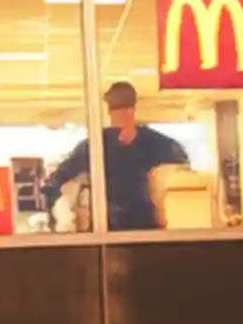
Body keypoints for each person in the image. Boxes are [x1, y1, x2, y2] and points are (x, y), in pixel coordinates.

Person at [44, 82, 189, 231]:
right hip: (109, 227)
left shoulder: (154, 144)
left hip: (140, 227)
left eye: (123, 110)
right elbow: (56, 181)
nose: (120, 117)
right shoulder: (96, 146)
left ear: (131, 111)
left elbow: (184, 174)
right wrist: (62, 210)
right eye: (116, 111)